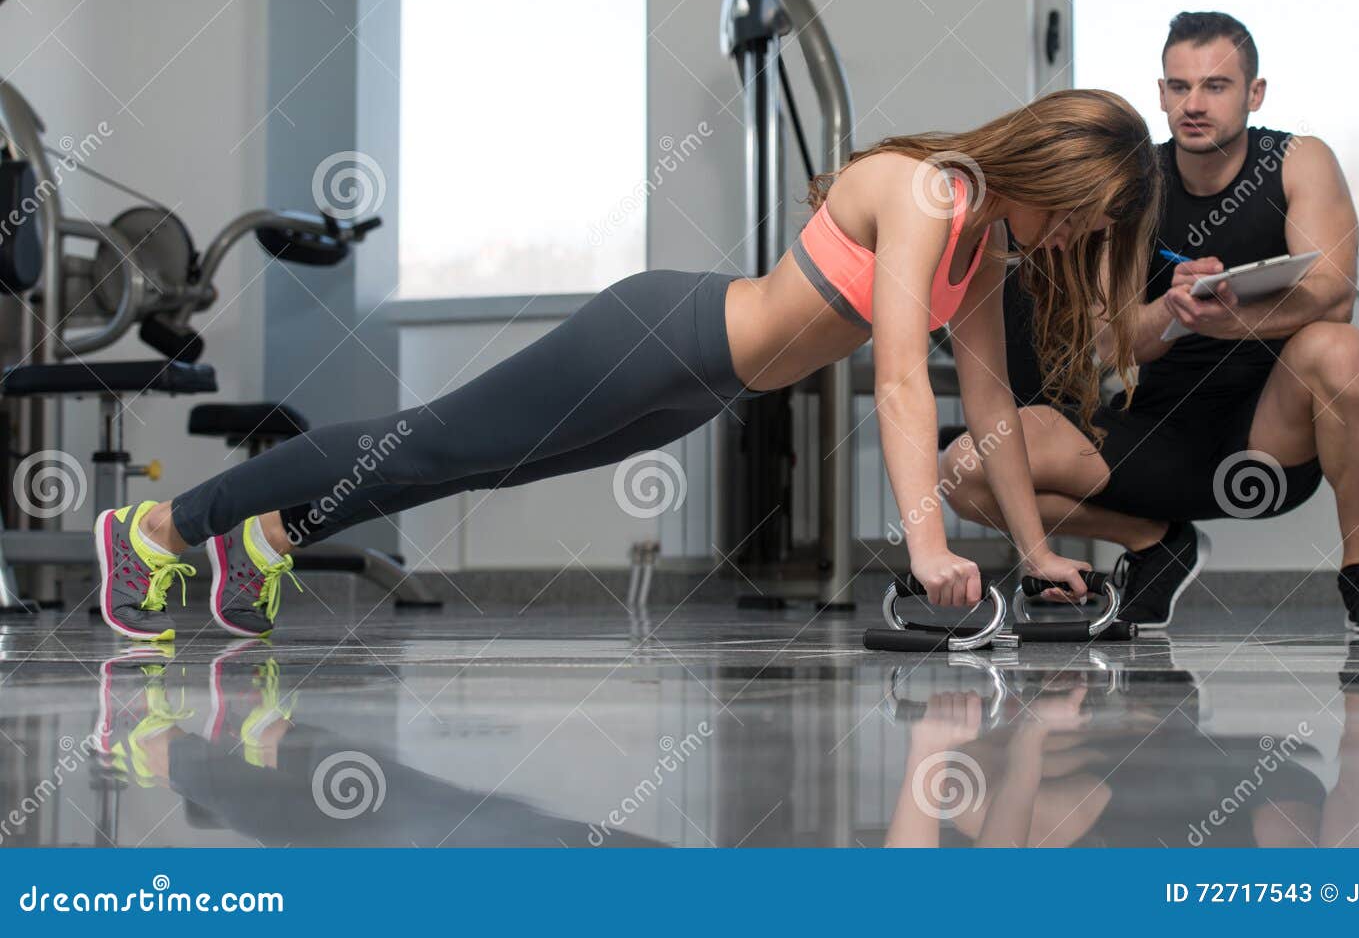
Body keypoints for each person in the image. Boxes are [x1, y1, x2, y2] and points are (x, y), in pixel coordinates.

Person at [95, 89, 1160, 640]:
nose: (1074, 238)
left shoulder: (986, 253)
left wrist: (1035, 552)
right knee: (430, 441)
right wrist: (924, 551)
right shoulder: (930, 192)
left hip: (700, 388)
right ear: (1048, 168)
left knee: (472, 466)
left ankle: (269, 537)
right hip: (664, 335)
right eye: (1081, 214)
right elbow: (890, 379)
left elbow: (989, 404)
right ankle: (155, 528)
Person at [941, 13, 1359, 634]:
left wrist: (1231, 318)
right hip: (1152, 439)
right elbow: (1109, 344)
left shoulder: (1300, 161)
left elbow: (1334, 297)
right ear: (1161, 94)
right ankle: (1154, 542)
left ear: (1255, 94)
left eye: (1215, 87)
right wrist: (1172, 311)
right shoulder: (1134, 184)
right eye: (1178, 87)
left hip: (1264, 444)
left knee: (1340, 348)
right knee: (963, 467)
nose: (1193, 104)